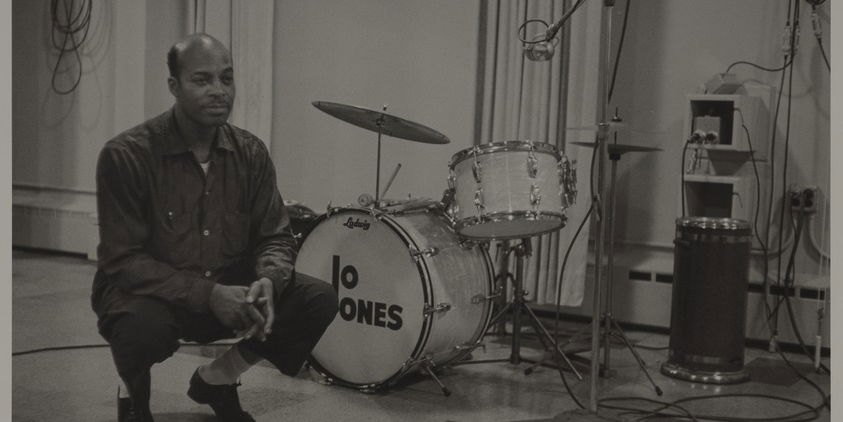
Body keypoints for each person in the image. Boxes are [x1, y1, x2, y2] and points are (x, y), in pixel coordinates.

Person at [92, 33, 338, 422]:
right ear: (174, 86)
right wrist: (209, 295)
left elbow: (275, 236)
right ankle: (134, 397)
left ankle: (218, 379)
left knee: (315, 298)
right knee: (138, 328)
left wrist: (268, 281)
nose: (219, 91)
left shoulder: (251, 153)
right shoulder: (127, 155)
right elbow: (122, 261)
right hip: (156, 295)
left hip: (227, 282)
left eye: (226, 78)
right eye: (202, 80)